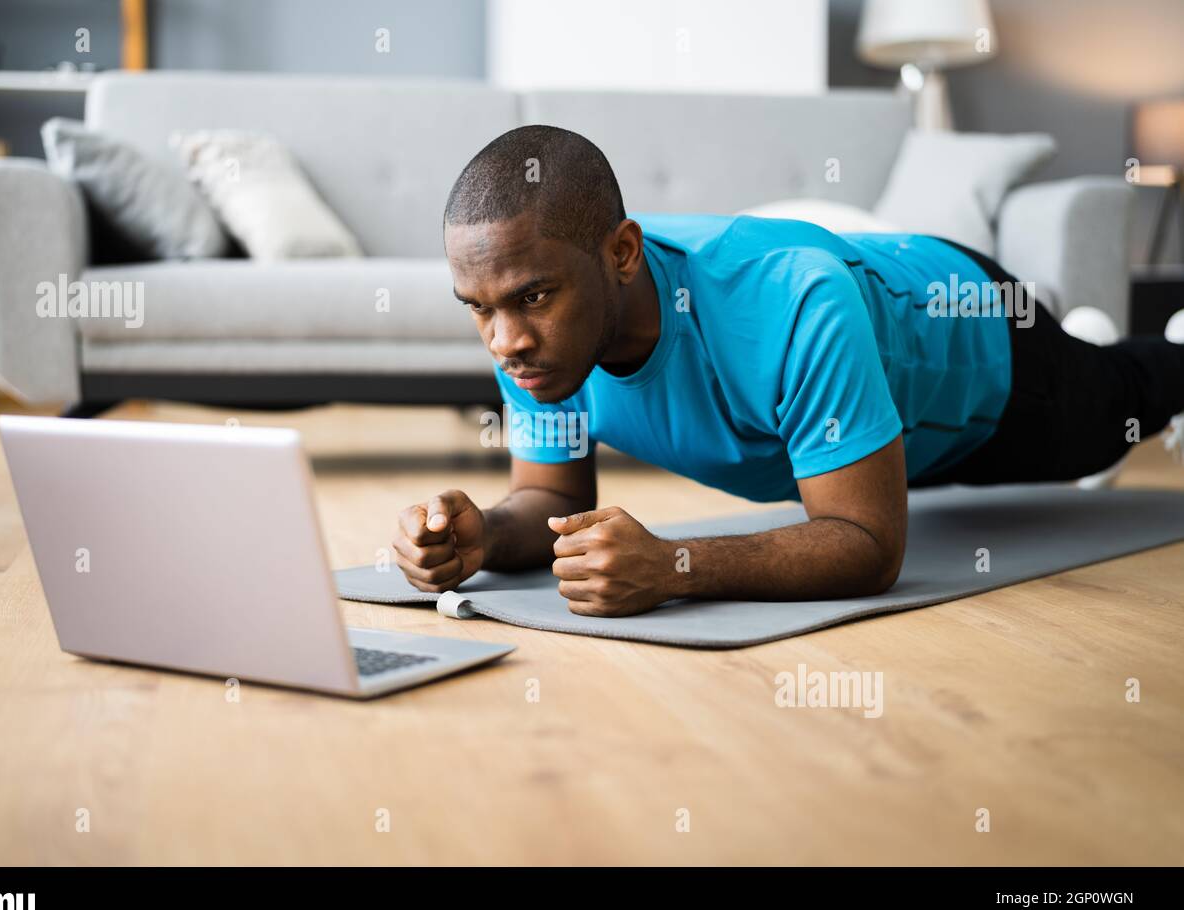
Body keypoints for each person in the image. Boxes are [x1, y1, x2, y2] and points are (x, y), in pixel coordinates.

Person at [392, 125, 1184, 616]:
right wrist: (485, 536)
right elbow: (553, 496)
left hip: (977, 341)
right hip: (886, 398)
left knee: (1117, 408)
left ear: (623, 255)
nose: (504, 340)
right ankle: (1095, 345)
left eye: (530, 298)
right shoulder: (531, 328)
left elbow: (868, 542)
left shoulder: (791, 303)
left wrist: (673, 564)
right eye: (479, 307)